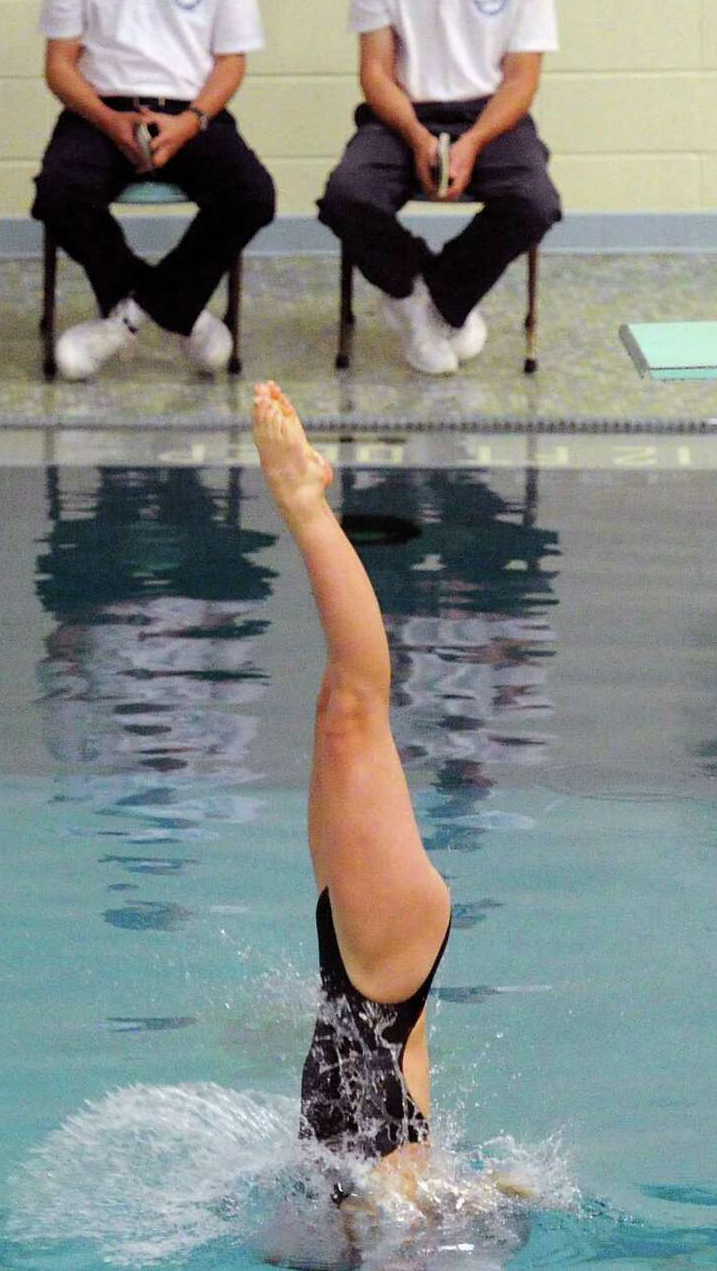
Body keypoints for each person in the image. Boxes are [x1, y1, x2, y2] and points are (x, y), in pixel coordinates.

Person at [251, 381, 452, 1203]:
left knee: (345, 711)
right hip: (381, 969)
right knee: (351, 709)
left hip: (367, 974)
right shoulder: (399, 1226)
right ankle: (305, 504)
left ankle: (306, 505)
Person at [32, 0, 276, 382]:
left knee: (252, 194)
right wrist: (111, 122)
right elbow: (60, 64)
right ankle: (182, 313)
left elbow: (230, 63)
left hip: (190, 111)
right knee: (58, 193)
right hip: (101, 109)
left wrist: (191, 121)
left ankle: (126, 320)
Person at [317, 0, 561, 376]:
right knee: (345, 199)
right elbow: (376, 70)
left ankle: (438, 299)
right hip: (402, 113)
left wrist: (472, 142)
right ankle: (413, 291)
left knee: (535, 203)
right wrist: (417, 135)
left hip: (491, 115)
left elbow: (522, 76)